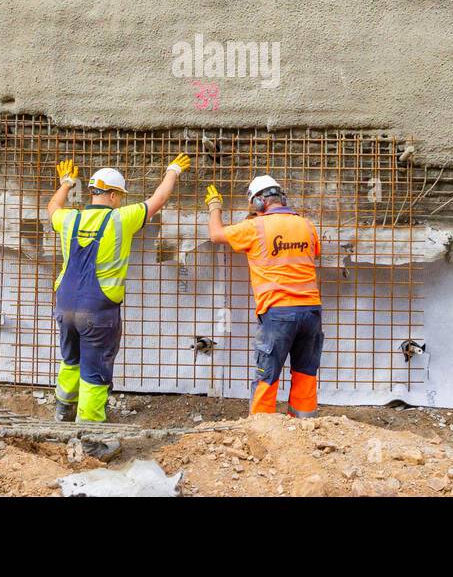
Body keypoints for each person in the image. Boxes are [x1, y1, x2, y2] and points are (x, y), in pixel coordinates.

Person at [46, 153, 190, 422]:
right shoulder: (120, 219)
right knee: (95, 369)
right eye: (120, 196)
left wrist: (66, 183)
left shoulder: (68, 219)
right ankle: (89, 434)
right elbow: (158, 200)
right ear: (113, 196)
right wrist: (172, 170)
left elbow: (52, 208)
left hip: (65, 305)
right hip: (97, 309)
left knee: (71, 359)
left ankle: (63, 408)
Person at [204, 175, 323, 417]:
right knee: (305, 372)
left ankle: (263, 429)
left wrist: (215, 207)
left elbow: (216, 235)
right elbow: (315, 253)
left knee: (267, 374)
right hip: (311, 310)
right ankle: (305, 427)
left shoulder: (254, 228)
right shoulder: (306, 225)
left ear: (259, 202)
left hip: (278, 312)